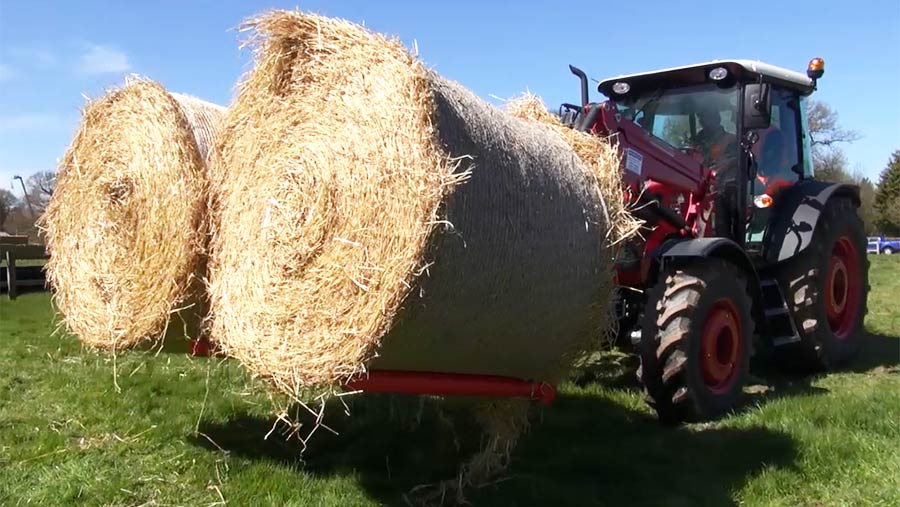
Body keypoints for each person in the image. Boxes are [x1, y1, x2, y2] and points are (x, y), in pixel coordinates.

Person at [691, 106, 738, 177]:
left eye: (706, 116)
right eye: (700, 117)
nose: (701, 120)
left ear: (716, 119)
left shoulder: (731, 140)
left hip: (723, 183)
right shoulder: (695, 141)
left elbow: (735, 164)